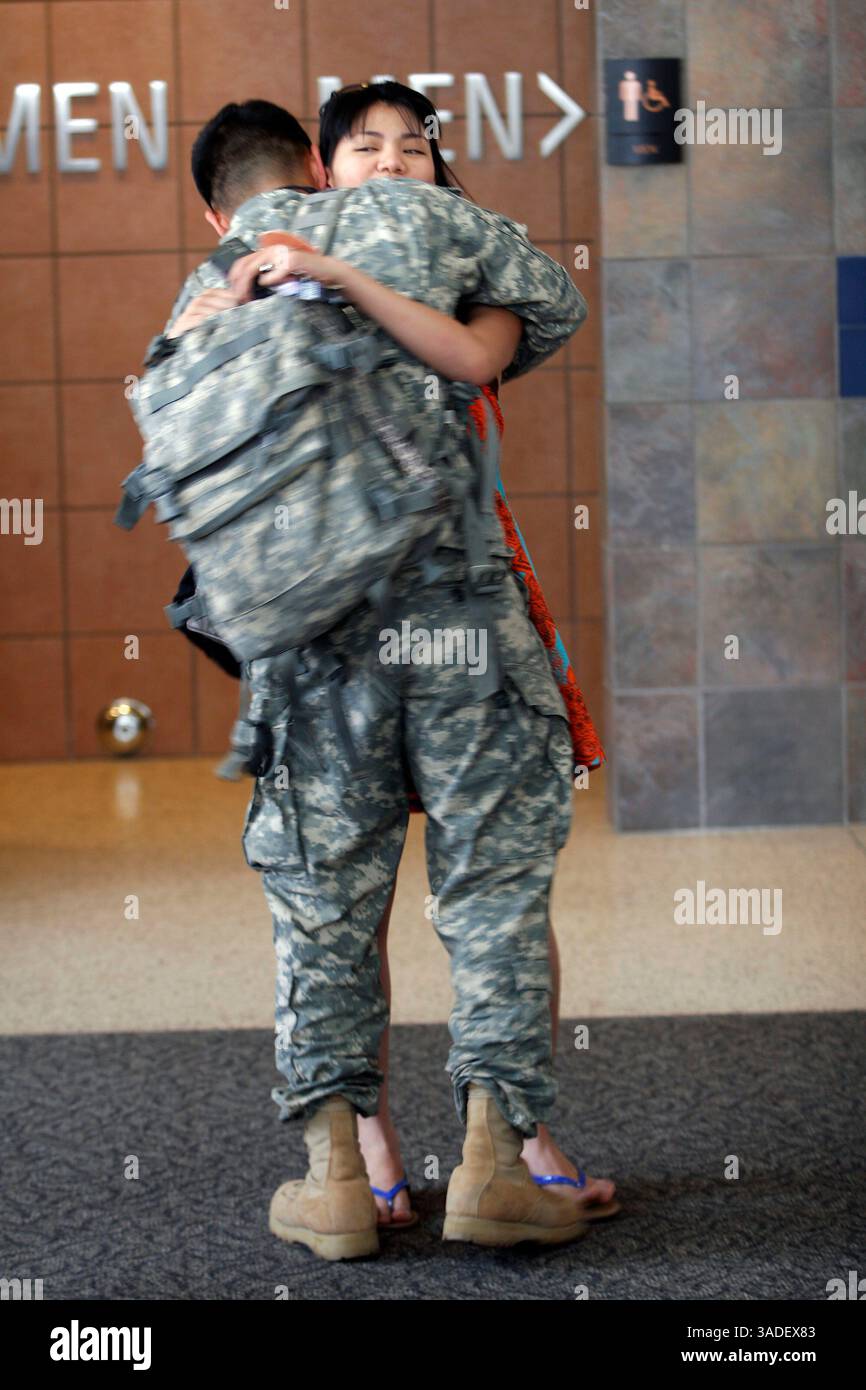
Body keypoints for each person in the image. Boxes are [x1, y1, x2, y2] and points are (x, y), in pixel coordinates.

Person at [151, 95, 607, 1258]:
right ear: (320, 159)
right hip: (462, 623)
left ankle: (340, 1183)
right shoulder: (449, 223)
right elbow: (556, 305)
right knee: (491, 894)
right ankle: (499, 1169)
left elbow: (176, 427)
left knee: (323, 906)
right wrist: (466, 286)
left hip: (316, 647)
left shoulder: (235, 253)